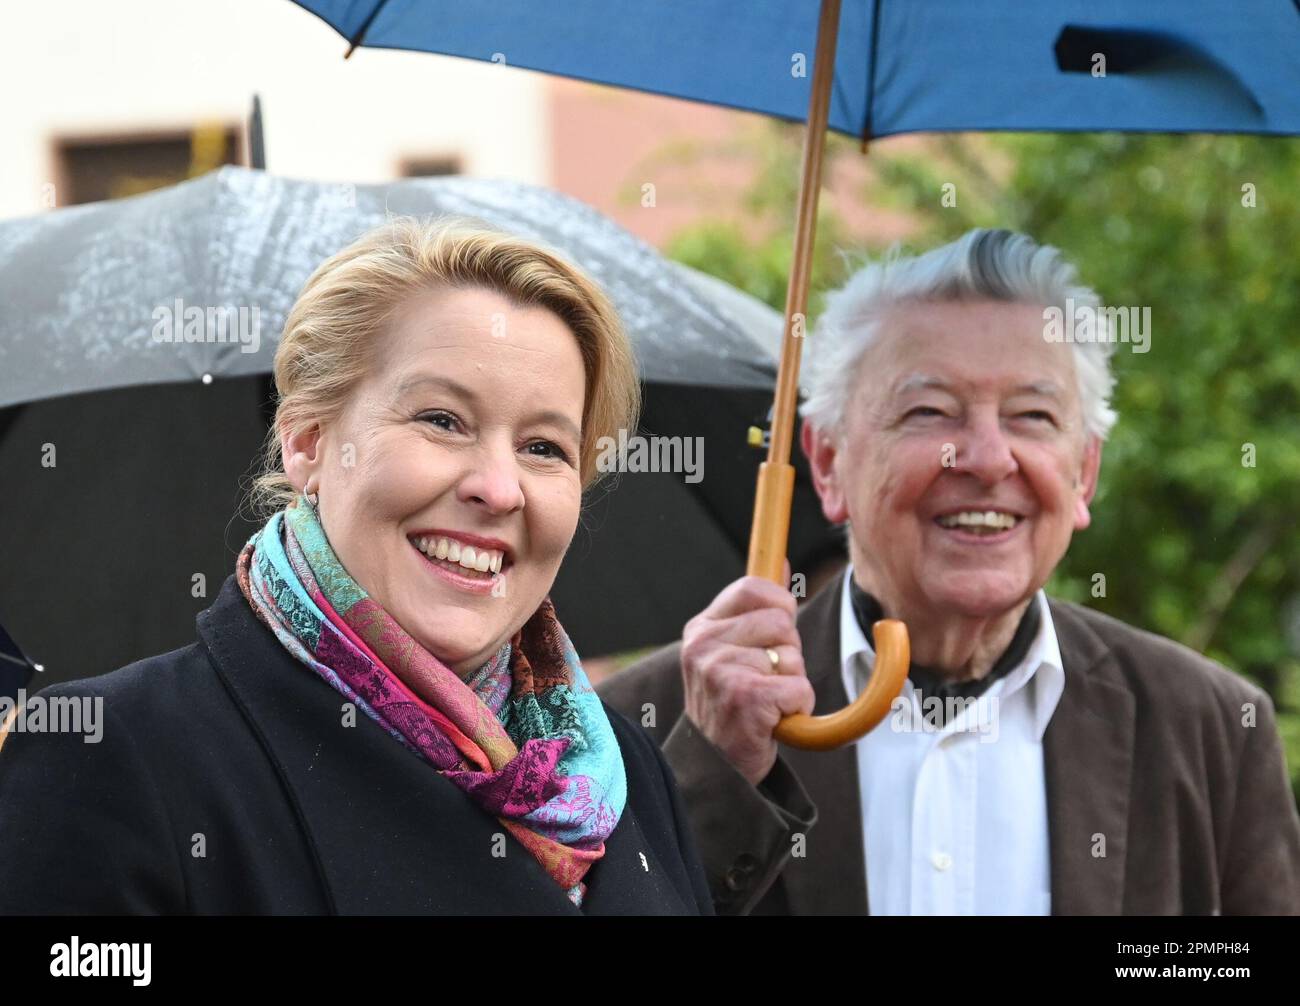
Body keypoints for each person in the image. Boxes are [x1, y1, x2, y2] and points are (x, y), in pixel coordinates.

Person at [0, 219, 711, 915]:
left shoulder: (627, 771)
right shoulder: (116, 756)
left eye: (544, 448)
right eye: (442, 420)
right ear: (308, 441)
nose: (499, 489)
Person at [600, 228, 1300, 915]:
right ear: (827, 461)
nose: (988, 459)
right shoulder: (637, 729)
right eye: (929, 411)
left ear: (1084, 472)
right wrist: (715, 777)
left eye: (1032, 415)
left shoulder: (1210, 732)